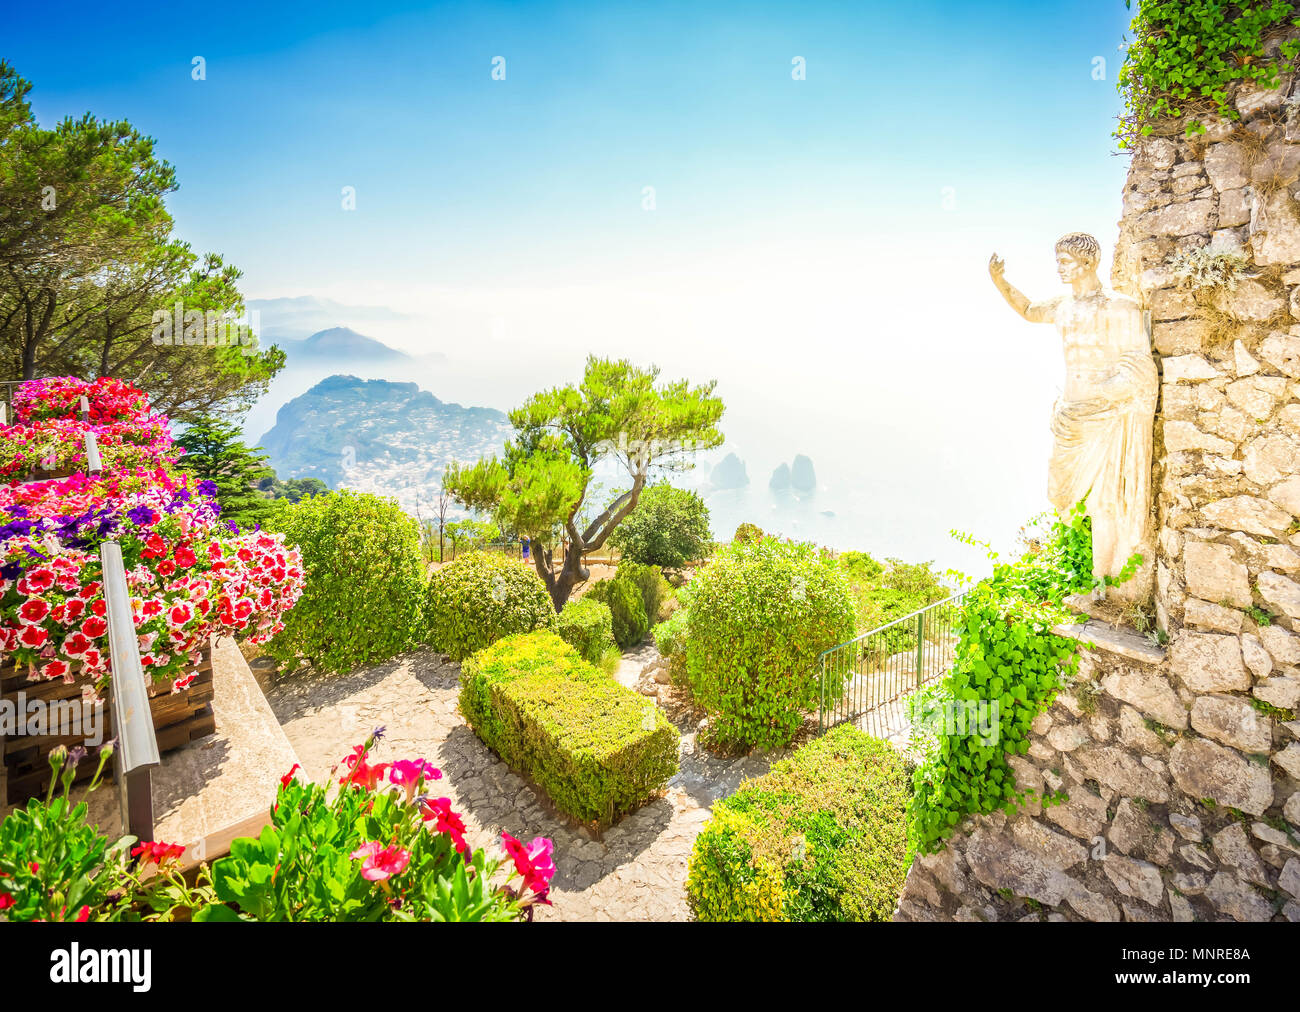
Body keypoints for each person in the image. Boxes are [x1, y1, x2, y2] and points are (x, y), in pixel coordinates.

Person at [988, 232, 1157, 600]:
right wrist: (1000, 282)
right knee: (1068, 493)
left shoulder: (1121, 307)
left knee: (1105, 500)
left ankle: (1103, 583)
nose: (1059, 268)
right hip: (1072, 416)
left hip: (1107, 414)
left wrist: (1113, 388)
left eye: (1065, 262)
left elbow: (1141, 363)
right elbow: (1029, 310)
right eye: (1058, 261)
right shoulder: (1062, 306)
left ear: (1088, 263)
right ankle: (1097, 578)